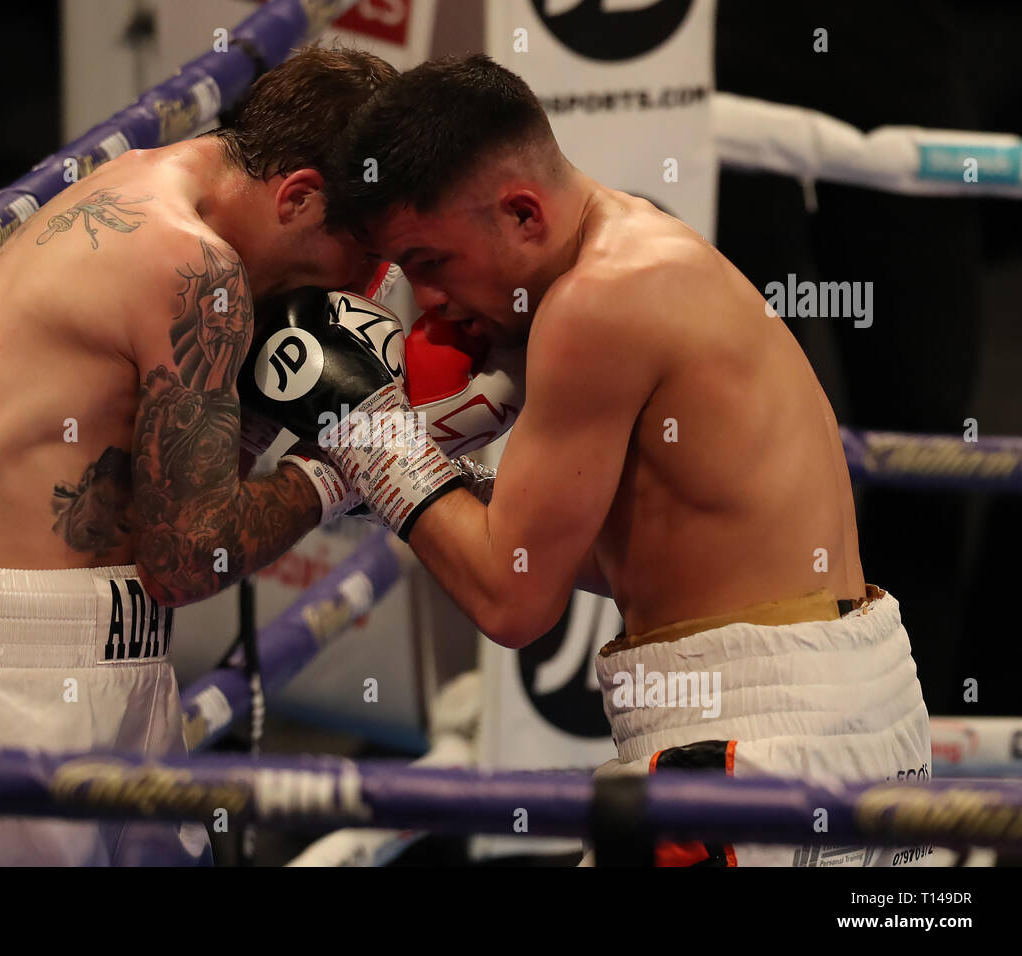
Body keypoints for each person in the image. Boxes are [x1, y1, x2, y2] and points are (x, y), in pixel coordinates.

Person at [248, 54, 933, 867]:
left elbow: (512, 598)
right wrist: (441, 490)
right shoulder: (634, 252)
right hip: (838, 707)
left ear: (523, 214)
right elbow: (637, 552)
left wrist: (380, 444)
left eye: (430, 262)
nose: (425, 300)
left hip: (748, 740)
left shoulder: (595, 305)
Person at [0, 45, 397, 866]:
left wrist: (263, 406)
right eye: (370, 254)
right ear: (300, 197)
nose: (369, 288)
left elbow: (167, 499)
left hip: (76, 650)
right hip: (1, 679)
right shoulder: (190, 264)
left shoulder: (158, 192)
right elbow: (192, 552)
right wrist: (344, 469)